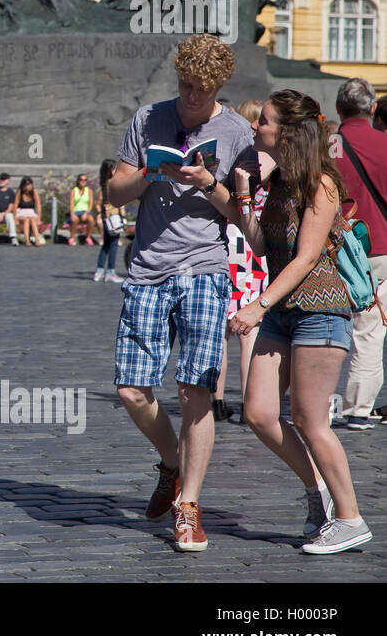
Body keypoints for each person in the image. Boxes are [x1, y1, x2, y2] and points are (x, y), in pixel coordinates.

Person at [106, 33, 256, 552]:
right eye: (185, 86)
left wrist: (206, 184)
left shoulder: (237, 132)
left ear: (219, 86)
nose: (191, 98)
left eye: (201, 90)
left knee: (195, 392)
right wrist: (150, 172)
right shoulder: (149, 118)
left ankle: (187, 504)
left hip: (205, 269)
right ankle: (172, 462)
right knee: (131, 389)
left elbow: (245, 219)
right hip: (148, 267)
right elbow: (114, 191)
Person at [229, 90, 372, 553]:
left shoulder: (321, 184)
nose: (255, 127)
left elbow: (307, 256)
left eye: (264, 121)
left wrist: (258, 305)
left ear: (286, 131)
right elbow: (260, 243)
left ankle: (351, 519)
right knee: (259, 413)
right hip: (284, 313)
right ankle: (319, 491)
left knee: (312, 421)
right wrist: (240, 193)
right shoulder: (283, 180)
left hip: (319, 311)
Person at [332, 78, 387, 431]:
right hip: (381, 248)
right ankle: (358, 407)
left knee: (325, 326)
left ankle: (319, 398)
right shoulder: (384, 144)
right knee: (369, 330)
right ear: (371, 109)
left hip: (332, 247)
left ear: (339, 108)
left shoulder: (325, 147)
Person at [221, 99, 268, 424]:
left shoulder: (232, 160)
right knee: (248, 332)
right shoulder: (266, 164)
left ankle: (216, 400)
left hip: (228, 246)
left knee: (221, 331)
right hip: (256, 248)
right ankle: (250, 403)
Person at [94, 159, 123, 280]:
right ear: (110, 170)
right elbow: (120, 201)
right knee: (113, 245)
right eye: (115, 168)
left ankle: (99, 271)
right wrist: (123, 215)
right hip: (114, 216)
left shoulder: (104, 183)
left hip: (107, 216)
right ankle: (111, 272)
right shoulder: (113, 183)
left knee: (106, 245)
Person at [14, 176, 44, 247]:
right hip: (21, 211)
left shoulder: (34, 191)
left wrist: (39, 218)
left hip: (31, 211)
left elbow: (38, 205)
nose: (30, 186)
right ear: (24, 185)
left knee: (33, 220)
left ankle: (37, 239)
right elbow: (15, 205)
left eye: (31, 184)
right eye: (28, 184)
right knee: (26, 220)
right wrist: (15, 218)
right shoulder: (20, 191)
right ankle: (27, 240)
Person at [67, 172, 95, 246]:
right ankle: (72, 237)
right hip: (76, 211)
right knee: (74, 220)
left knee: (91, 219)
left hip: (86, 211)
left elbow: (91, 204)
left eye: (85, 180)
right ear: (78, 181)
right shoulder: (73, 190)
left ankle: (88, 237)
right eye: (81, 180)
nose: (83, 181)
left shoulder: (89, 191)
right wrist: (72, 213)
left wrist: (86, 213)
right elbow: (71, 203)